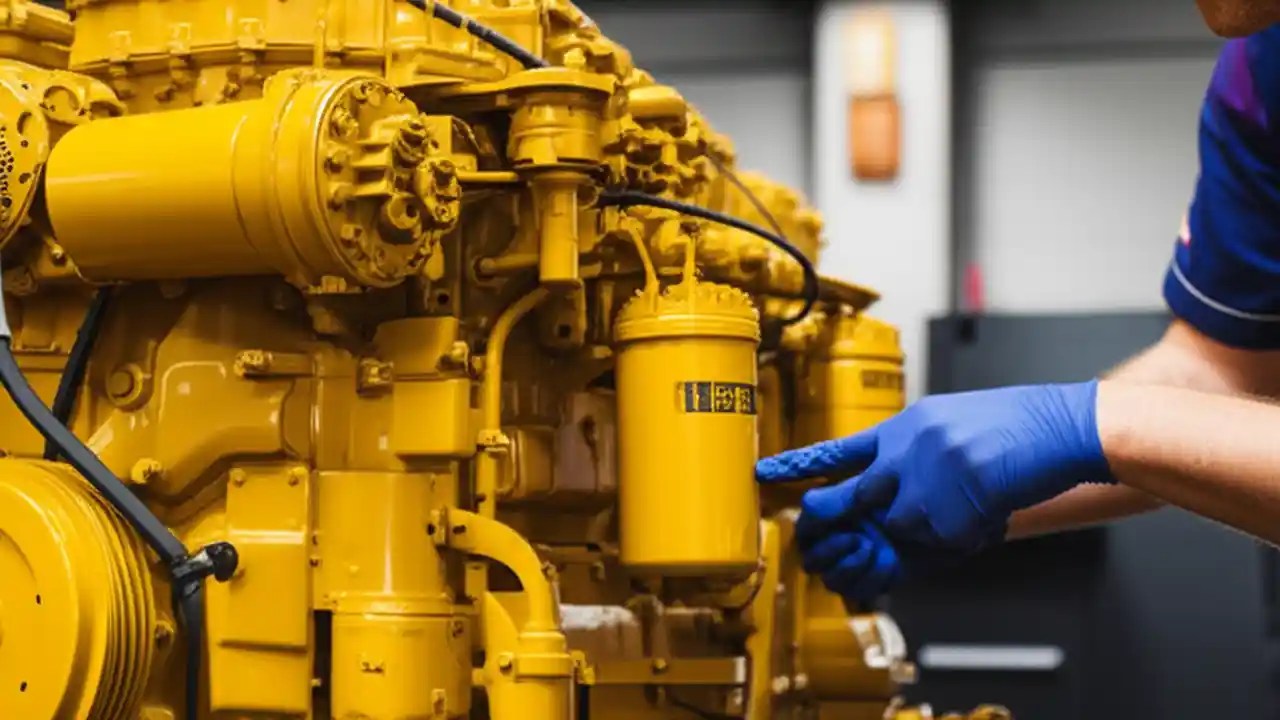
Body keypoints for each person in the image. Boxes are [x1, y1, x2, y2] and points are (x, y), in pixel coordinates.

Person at [755, 0, 1280, 602]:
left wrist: (1088, 428)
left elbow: (1136, 425)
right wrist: (982, 498)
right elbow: (1220, 373)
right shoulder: (1261, 75)